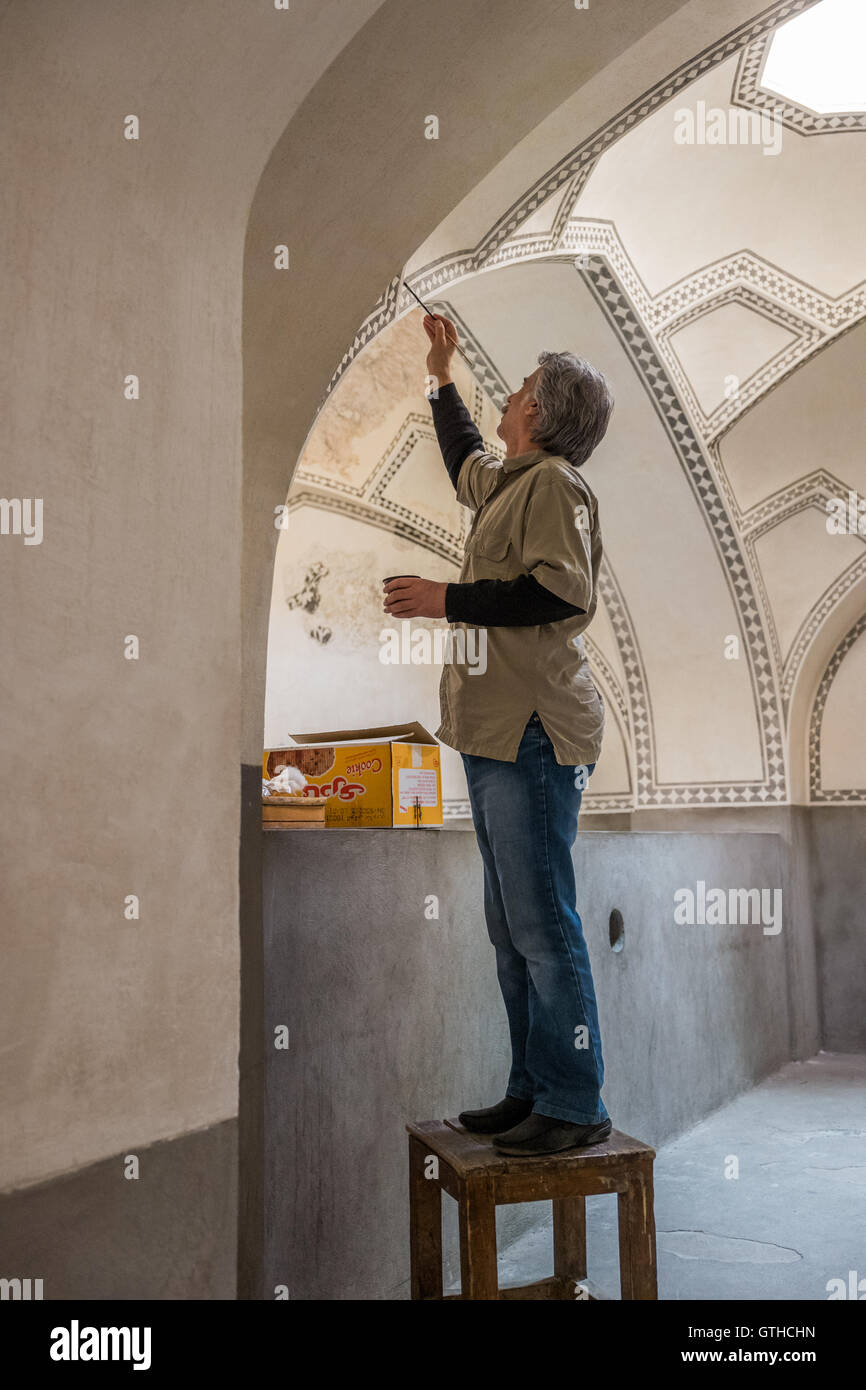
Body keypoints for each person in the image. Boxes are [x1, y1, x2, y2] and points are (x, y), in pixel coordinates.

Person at [383, 313, 613, 1156]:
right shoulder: (513, 483)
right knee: (510, 927)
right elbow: (462, 459)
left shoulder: (556, 486)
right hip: (493, 734)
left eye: (519, 391)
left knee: (544, 925)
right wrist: (440, 374)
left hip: (536, 734)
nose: (509, 398)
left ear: (543, 416)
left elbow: (560, 594)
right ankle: (532, 1090)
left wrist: (448, 599)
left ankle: (577, 1101)